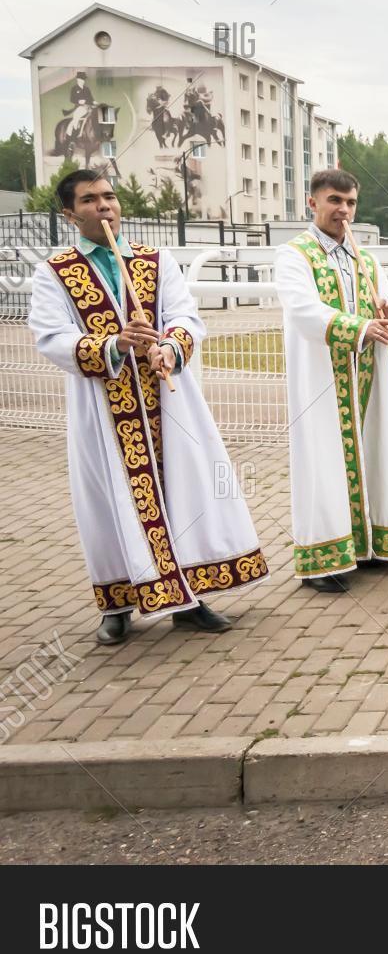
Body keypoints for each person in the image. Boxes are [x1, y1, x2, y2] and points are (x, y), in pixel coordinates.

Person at [28, 169, 269, 645]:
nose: (104, 206)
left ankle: (192, 598)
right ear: (69, 214)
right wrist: (114, 344)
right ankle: (117, 602)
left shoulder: (156, 261)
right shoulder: (54, 272)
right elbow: (51, 337)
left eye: (110, 197)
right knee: (107, 501)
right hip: (103, 409)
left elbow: (185, 316)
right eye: (90, 199)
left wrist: (170, 347)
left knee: (184, 492)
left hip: (168, 403)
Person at [275, 168, 388, 592]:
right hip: (321, 379)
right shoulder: (294, 255)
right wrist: (359, 328)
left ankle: (368, 546)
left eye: (350, 202)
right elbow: (302, 310)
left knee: (372, 453)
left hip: (365, 377)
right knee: (322, 460)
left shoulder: (364, 258)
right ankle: (322, 560)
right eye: (334, 201)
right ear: (312, 203)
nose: (344, 210)